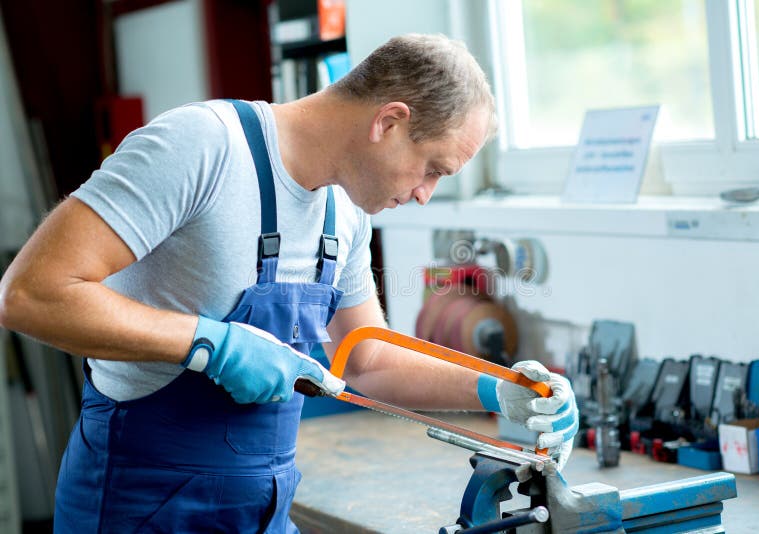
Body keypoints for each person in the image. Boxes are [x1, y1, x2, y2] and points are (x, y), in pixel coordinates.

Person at [0, 34, 577, 533]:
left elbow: (367, 360)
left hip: (261, 508)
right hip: (140, 502)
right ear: (389, 121)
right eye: (432, 168)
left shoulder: (346, 213)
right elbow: (31, 293)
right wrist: (210, 344)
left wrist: (499, 389)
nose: (425, 192)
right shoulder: (202, 146)